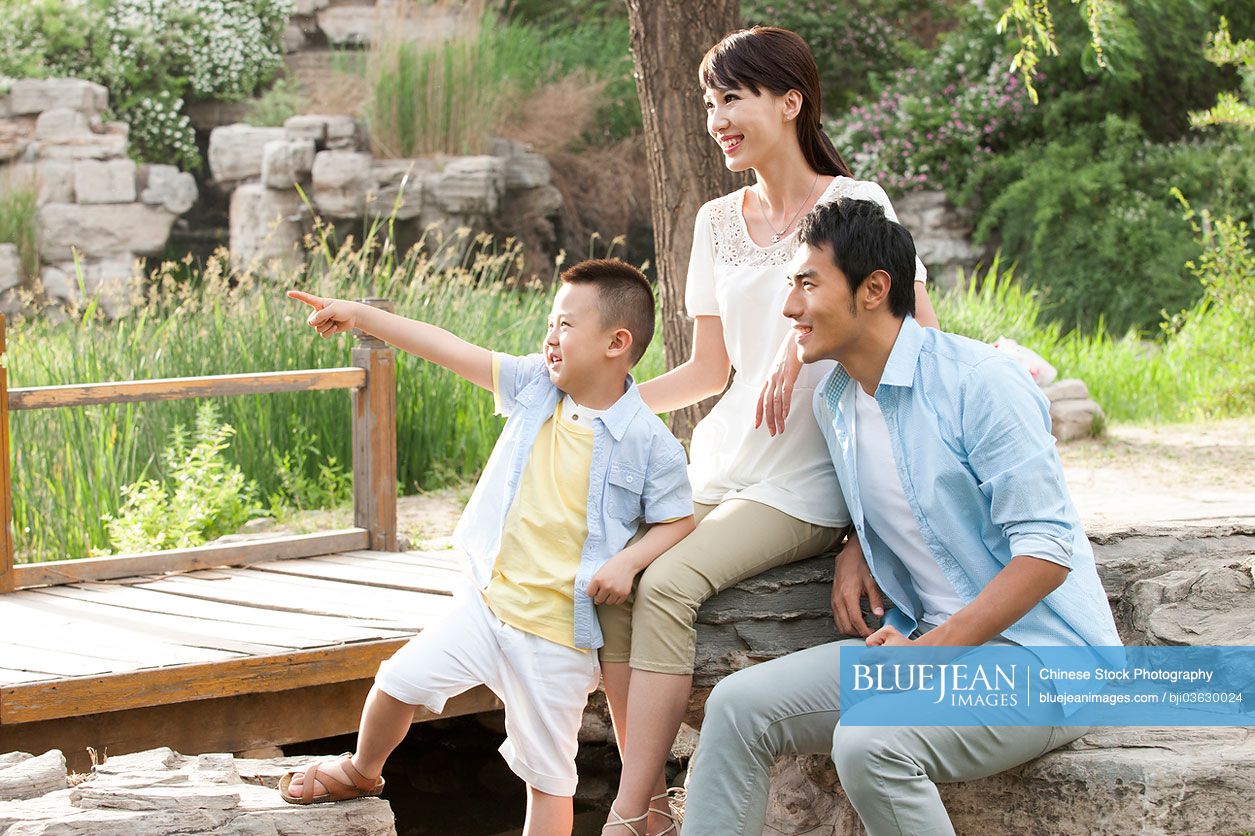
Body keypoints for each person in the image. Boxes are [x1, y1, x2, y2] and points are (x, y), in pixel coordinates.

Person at [679, 197, 1123, 835]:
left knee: (871, 742)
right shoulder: (836, 400)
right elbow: (900, 493)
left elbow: (1046, 552)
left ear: (874, 289)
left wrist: (932, 654)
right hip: (924, 643)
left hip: (1044, 660)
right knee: (736, 706)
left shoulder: (981, 381)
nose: (789, 307)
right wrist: (855, 544)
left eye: (808, 284)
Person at [597, 27, 939, 836]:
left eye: (732, 97)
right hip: (722, 462)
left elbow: (918, 345)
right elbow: (708, 370)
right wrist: (604, 407)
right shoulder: (716, 220)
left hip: (810, 476)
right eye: (708, 101)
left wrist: (866, 531)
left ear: (789, 102)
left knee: (666, 584)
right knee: (607, 582)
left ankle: (625, 814)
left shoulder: (856, 205)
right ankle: (651, 808)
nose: (716, 118)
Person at [279, 259, 696, 836]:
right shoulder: (533, 386)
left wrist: (628, 562)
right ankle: (361, 770)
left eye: (566, 325)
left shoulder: (651, 442)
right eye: (549, 324)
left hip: (557, 636)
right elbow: (448, 348)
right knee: (396, 683)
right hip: (488, 605)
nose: (551, 337)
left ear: (616, 343)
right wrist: (361, 316)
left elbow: (677, 520)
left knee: (548, 780)